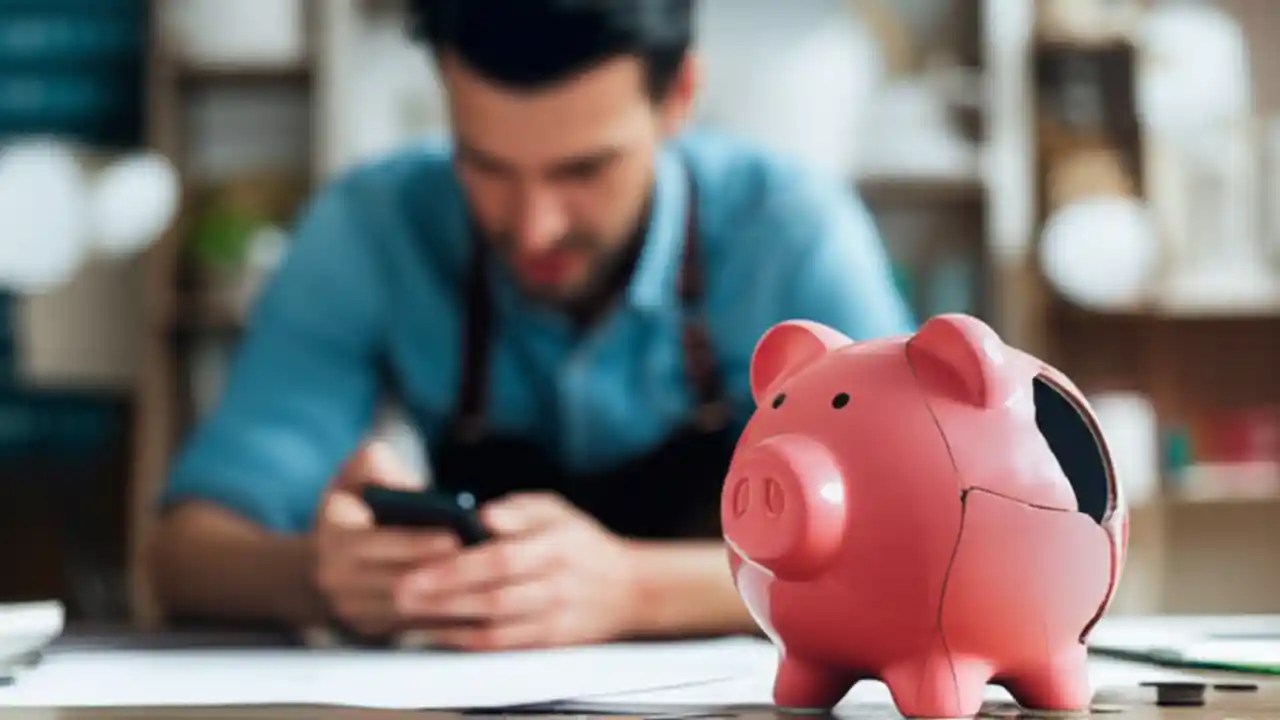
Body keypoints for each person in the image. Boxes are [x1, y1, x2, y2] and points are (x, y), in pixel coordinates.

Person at [149, 0, 914, 649]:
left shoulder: (787, 233)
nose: (535, 227)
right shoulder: (369, 228)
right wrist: (322, 574)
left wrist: (635, 591)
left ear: (679, 94)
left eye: (583, 170)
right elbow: (184, 554)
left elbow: (916, 538)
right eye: (485, 164)